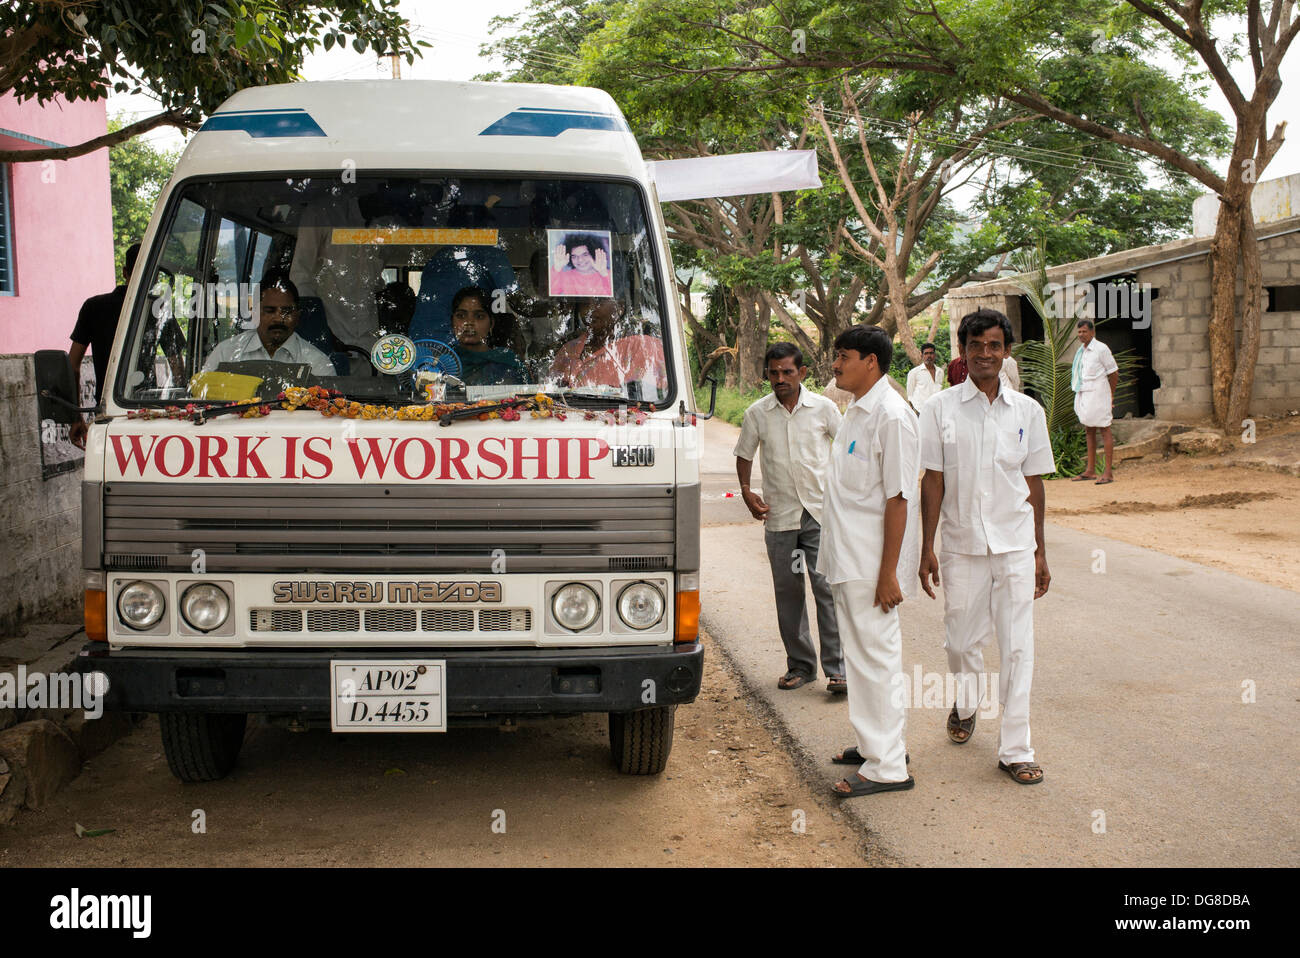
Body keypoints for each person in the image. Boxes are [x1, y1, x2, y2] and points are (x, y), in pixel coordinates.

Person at [917, 308, 1055, 786]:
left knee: (1018, 648)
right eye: (976, 345)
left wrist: (1040, 551)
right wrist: (926, 546)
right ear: (963, 351)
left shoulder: (1028, 412)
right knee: (960, 641)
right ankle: (967, 699)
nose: (985, 354)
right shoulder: (939, 409)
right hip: (962, 545)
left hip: (1015, 545)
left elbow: (1033, 485)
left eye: (994, 345)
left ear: (1006, 351)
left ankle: (1016, 748)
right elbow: (932, 480)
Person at [818, 325, 920, 797]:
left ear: (872, 362)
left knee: (877, 660)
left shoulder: (892, 416)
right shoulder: (856, 411)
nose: (836, 365)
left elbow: (899, 499)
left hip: (871, 566)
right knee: (858, 659)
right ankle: (873, 745)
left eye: (844, 356)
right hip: (847, 559)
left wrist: (889, 574)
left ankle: (888, 767)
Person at [733, 344, 845, 694]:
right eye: (774, 373)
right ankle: (801, 666)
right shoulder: (758, 413)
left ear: (803, 373)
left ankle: (837, 670)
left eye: (787, 372)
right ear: (766, 374)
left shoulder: (824, 408)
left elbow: (844, 448)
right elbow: (744, 454)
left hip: (819, 513)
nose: (780, 379)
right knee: (788, 593)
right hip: (780, 516)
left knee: (826, 590)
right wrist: (746, 491)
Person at [202, 274, 335, 375]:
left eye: (286, 311)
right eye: (270, 311)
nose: (278, 318)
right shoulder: (225, 354)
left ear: (297, 316)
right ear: (254, 313)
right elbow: (202, 399)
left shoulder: (318, 364)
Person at [548, 299, 665, 396]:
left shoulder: (644, 347)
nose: (590, 308)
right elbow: (548, 395)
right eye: (584, 302)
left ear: (620, 306)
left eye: (599, 300)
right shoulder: (569, 349)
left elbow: (653, 401)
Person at [447, 286, 528, 386]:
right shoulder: (443, 364)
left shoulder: (509, 363)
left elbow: (524, 399)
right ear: (452, 322)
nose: (469, 322)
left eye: (479, 316)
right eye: (461, 316)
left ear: (491, 323)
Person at [1070, 319, 1119, 484]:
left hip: (1099, 394)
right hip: (1085, 394)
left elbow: (1113, 373)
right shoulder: (1081, 351)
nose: (1081, 335)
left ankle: (1108, 473)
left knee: (1104, 429)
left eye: (1084, 331)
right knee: (1089, 429)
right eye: (1079, 332)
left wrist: (1110, 395)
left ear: (1092, 332)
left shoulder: (1101, 349)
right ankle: (1090, 470)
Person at [548, 233, 612, 297]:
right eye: (574, 256)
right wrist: (556, 268)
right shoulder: (566, 276)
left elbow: (613, 298)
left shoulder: (606, 274)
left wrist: (604, 273)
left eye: (585, 254)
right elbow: (550, 294)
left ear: (594, 254)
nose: (580, 260)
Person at [906, 342, 946, 409]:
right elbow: (910, 395)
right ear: (921, 355)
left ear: (934, 355)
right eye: (926, 353)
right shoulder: (914, 372)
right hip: (920, 411)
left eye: (931, 353)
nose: (929, 356)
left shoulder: (940, 372)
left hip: (936, 409)